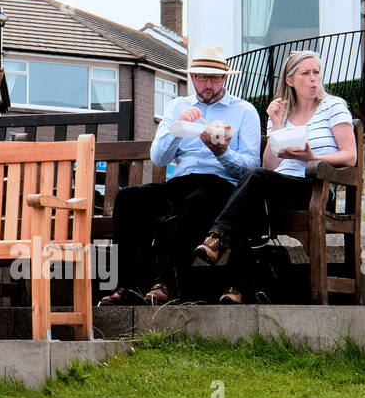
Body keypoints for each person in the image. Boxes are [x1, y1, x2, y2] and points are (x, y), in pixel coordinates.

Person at [97, 45, 261, 307]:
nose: (208, 84)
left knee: (199, 200)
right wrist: (177, 128)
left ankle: (166, 282)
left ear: (225, 79)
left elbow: (252, 166)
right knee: (129, 198)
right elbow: (159, 158)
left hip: (221, 184)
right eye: (202, 77)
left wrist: (222, 152)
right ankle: (127, 285)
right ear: (192, 78)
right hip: (181, 182)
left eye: (215, 78)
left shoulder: (244, 111)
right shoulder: (177, 106)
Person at [193, 50, 357, 304]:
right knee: (253, 191)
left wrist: (312, 158)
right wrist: (277, 124)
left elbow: (350, 156)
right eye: (306, 73)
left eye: (316, 72)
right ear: (290, 80)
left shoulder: (333, 106)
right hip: (279, 186)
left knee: (254, 181)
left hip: (315, 187)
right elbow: (270, 163)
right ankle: (236, 287)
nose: (314, 79)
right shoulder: (281, 110)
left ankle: (219, 242)